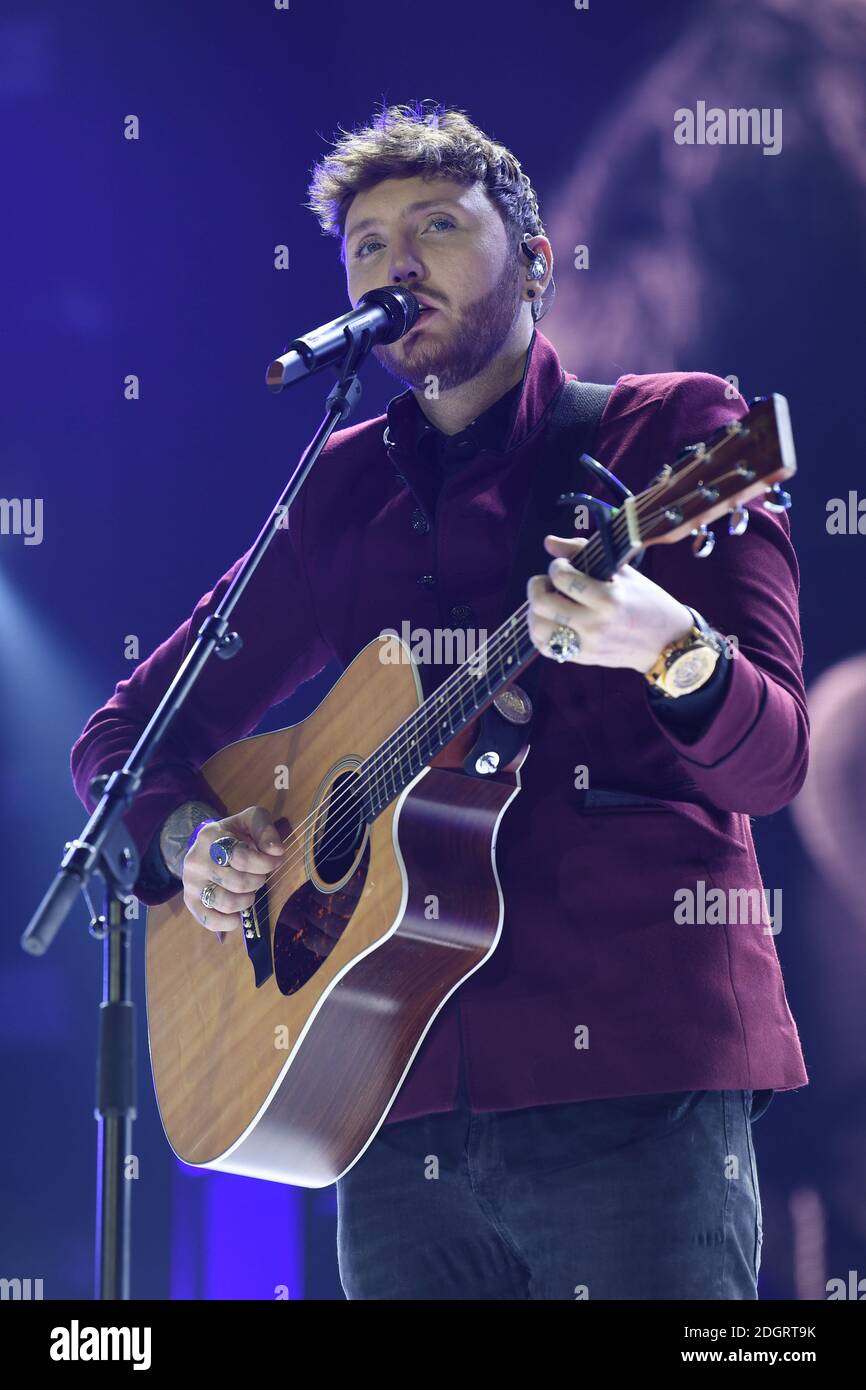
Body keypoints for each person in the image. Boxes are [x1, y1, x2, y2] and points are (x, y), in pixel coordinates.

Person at [71, 100, 808, 1300]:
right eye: (366, 246)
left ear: (534, 262)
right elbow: (124, 738)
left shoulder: (673, 431)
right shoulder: (339, 490)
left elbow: (773, 764)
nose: (394, 262)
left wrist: (672, 646)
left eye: (434, 226)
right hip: (387, 1106)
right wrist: (185, 842)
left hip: (629, 1090)